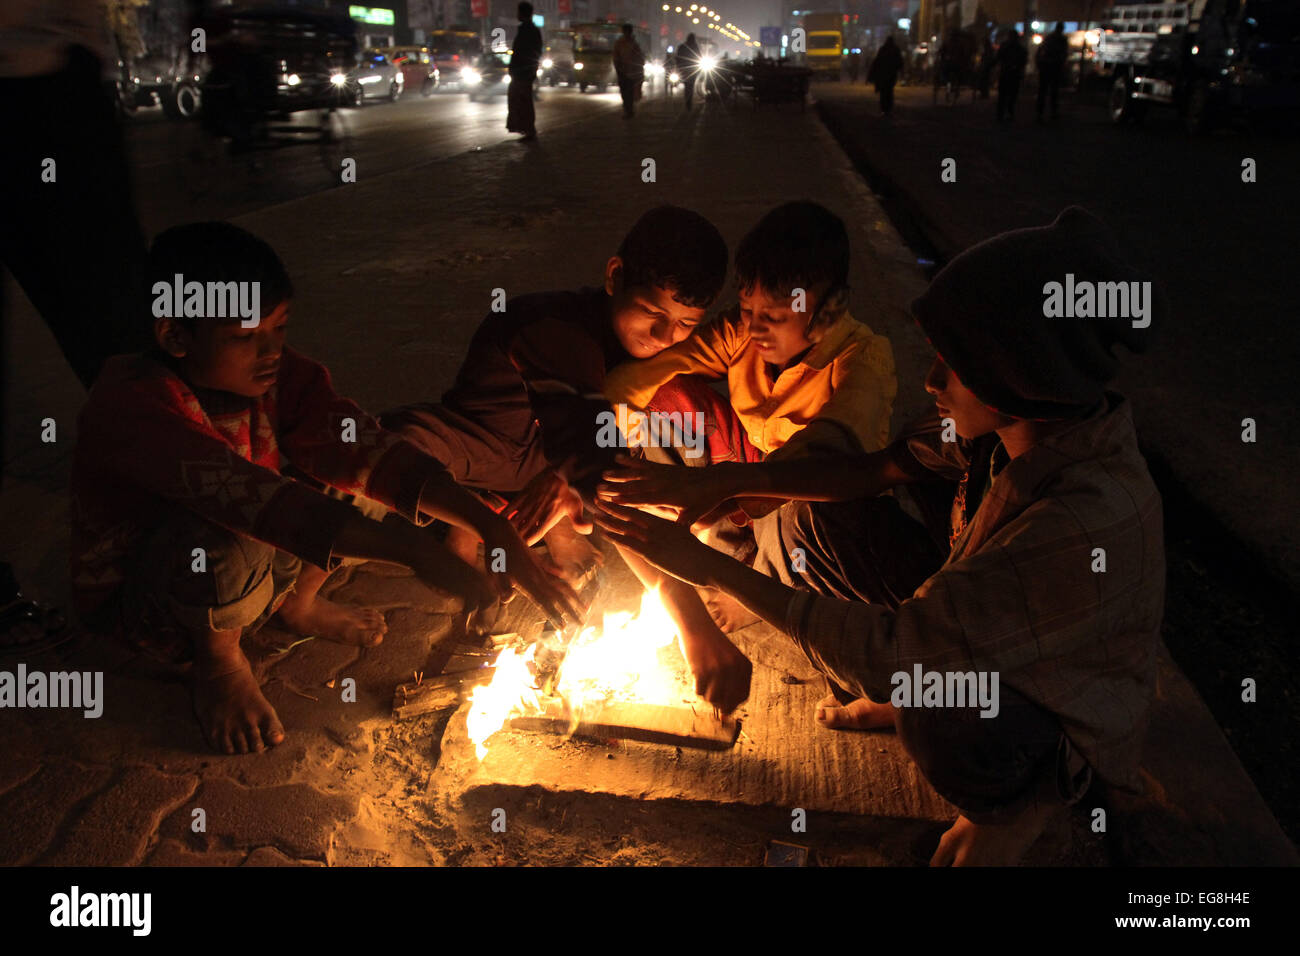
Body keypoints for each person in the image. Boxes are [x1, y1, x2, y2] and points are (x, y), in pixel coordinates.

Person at [594, 207, 1166, 866]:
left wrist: (705, 566)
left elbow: (900, 653)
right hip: (990, 637)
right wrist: (714, 485)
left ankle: (1019, 805)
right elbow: (869, 471)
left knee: (936, 711)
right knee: (804, 515)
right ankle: (913, 705)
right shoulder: (1010, 429)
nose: (930, 383)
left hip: (1056, 718)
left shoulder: (1079, 520)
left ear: (1014, 382)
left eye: (951, 368)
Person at [71, 223, 583, 755]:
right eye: (245, 338)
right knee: (235, 528)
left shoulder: (278, 376)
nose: (271, 352)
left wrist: (488, 524)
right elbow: (249, 499)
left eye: (279, 329)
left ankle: (296, 604)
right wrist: (415, 552)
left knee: (362, 470)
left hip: (253, 551)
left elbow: (364, 446)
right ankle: (219, 663)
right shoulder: (132, 406)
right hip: (151, 601)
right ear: (175, 336)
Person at [600, 201, 897, 713]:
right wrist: (598, 449)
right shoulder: (745, 332)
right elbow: (646, 376)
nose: (755, 330)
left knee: (801, 512)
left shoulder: (862, 360)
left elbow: (821, 458)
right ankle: (728, 558)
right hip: (745, 481)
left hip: (817, 507)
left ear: (827, 311)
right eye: (748, 311)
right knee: (665, 398)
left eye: (774, 319)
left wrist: (721, 494)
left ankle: (755, 584)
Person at [380, 206, 728, 595]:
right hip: (484, 445)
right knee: (380, 449)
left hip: (544, 453)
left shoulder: (642, 342)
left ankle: (536, 522)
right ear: (615, 276)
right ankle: (303, 600)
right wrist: (646, 506)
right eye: (651, 311)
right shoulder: (555, 331)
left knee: (660, 404)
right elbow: (587, 450)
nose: (664, 335)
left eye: (685, 323)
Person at [0, 0, 152, 651]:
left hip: (51, 74)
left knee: (125, 343)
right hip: (47, 78)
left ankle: (196, 524)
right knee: (122, 337)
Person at [506, 2, 542, 140]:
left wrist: (520, 70)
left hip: (523, 73)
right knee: (523, 101)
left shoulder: (528, 30)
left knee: (523, 101)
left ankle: (528, 129)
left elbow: (524, 53)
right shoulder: (529, 29)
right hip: (524, 72)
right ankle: (526, 129)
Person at [1036, 23, 1068, 122]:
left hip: (1047, 66)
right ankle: (1051, 112)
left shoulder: (1049, 38)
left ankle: (1041, 112)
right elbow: (1064, 54)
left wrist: (1039, 63)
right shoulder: (1061, 40)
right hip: (1054, 67)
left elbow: (1040, 51)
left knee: (1044, 91)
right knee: (1053, 91)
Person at [613, 23, 646, 118]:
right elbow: (615, 57)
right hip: (622, 72)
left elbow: (639, 58)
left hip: (632, 73)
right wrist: (618, 68)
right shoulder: (619, 43)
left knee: (630, 93)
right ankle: (627, 109)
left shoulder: (634, 44)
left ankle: (629, 110)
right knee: (624, 92)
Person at [995, 29, 1028, 122]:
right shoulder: (1019, 48)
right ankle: (1007, 113)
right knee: (1010, 95)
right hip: (1012, 73)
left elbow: (998, 57)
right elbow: (1024, 61)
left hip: (1008, 73)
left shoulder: (1007, 46)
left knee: (1005, 95)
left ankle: (1002, 114)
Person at [867, 36, 903, 115]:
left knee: (884, 92)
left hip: (884, 74)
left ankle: (884, 108)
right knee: (889, 91)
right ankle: (888, 108)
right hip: (891, 74)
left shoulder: (883, 49)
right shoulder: (895, 49)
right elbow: (900, 62)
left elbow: (877, 61)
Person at [678, 32, 701, 110]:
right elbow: (699, 58)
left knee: (687, 86)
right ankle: (689, 102)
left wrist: (679, 68)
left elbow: (678, 58)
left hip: (685, 70)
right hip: (693, 70)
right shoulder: (695, 47)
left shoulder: (682, 46)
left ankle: (688, 101)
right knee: (690, 86)